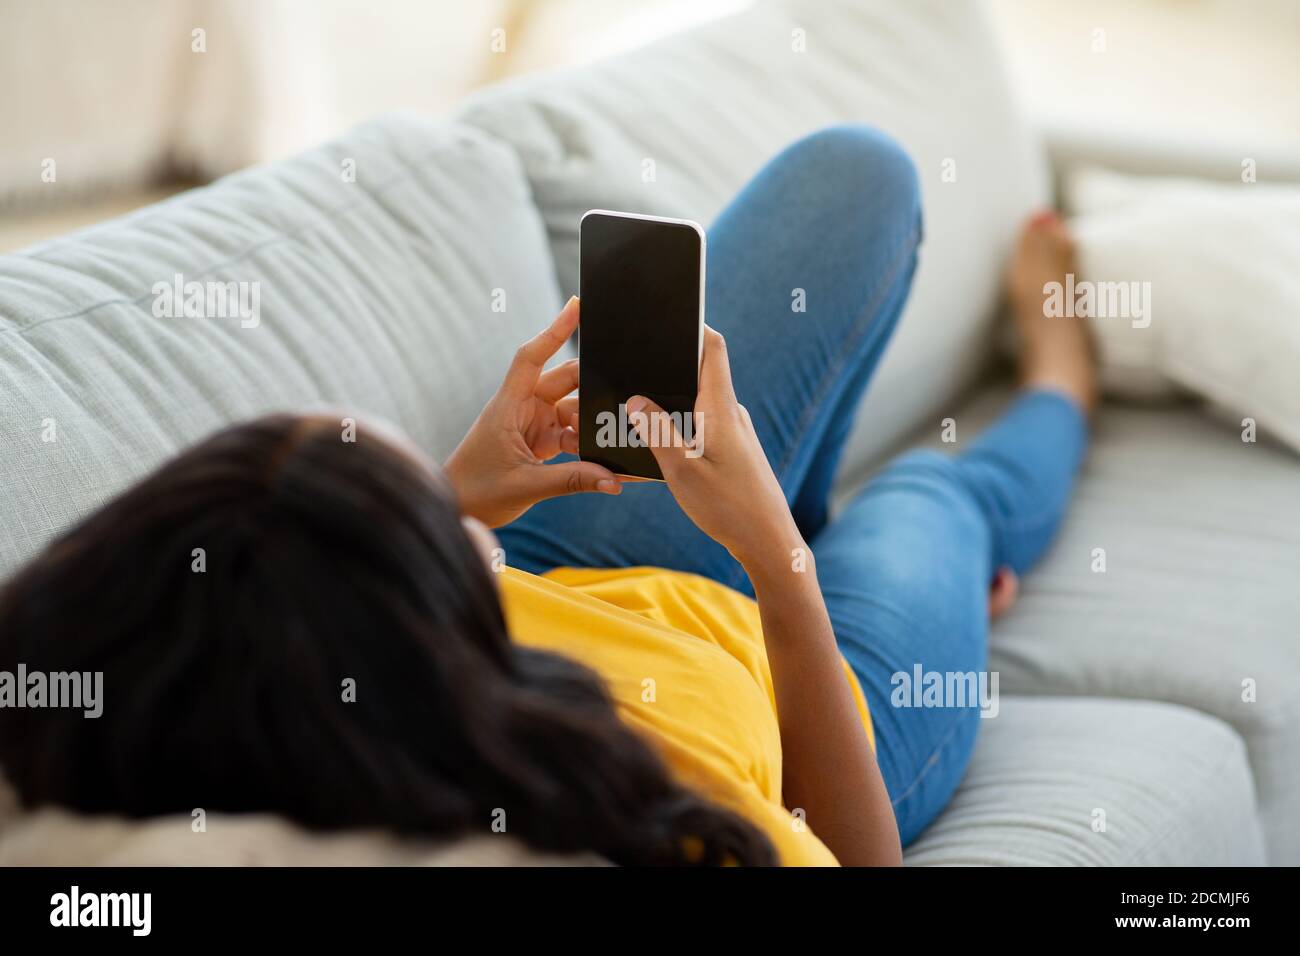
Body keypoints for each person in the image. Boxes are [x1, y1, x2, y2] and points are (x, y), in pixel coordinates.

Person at [0, 126, 1094, 866]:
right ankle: (1061, 377)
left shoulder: (260, 644)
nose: (460, 507)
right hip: (820, 696)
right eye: (439, 518)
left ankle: (792, 500)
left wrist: (462, 491)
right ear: (422, 619)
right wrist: (779, 562)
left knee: (855, 175)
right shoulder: (636, 804)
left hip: (591, 564)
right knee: (934, 491)